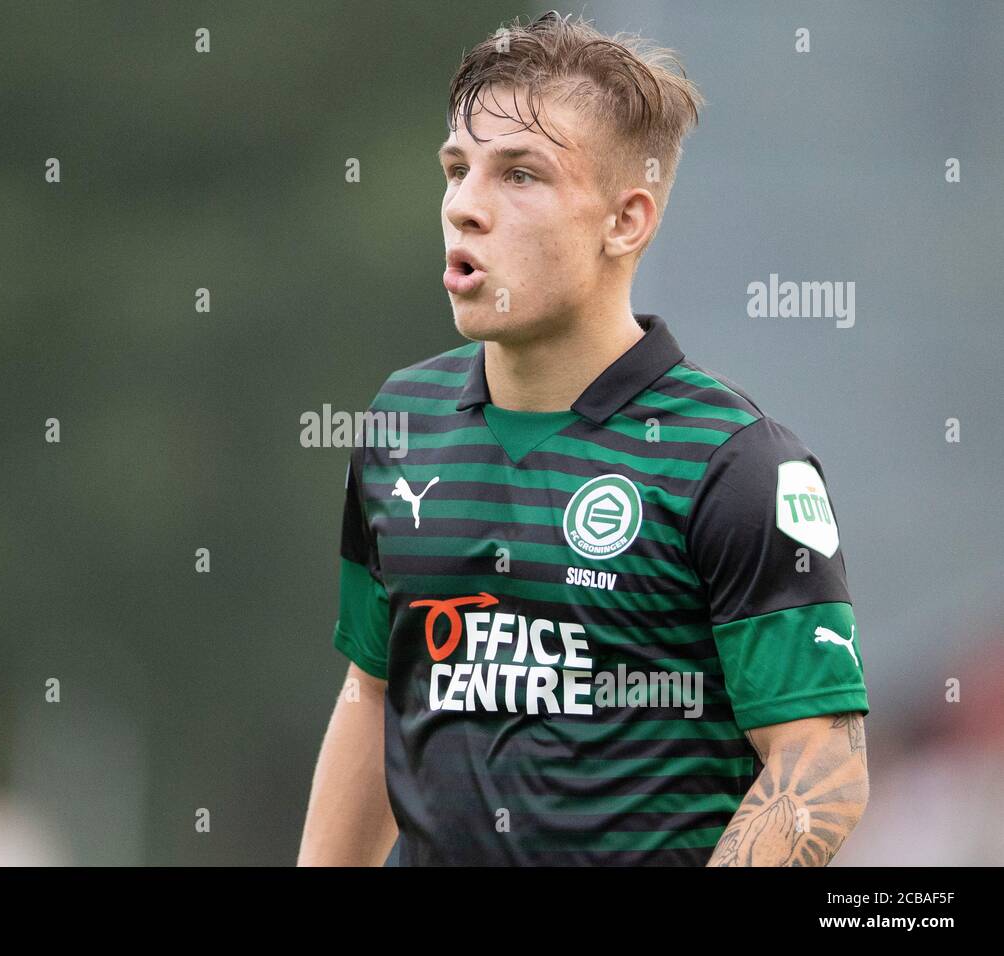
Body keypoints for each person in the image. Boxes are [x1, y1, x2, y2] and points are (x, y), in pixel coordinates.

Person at [299, 12, 869, 866]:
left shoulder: (737, 464)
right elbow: (372, 692)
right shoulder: (399, 422)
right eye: (458, 170)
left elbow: (820, 762)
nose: (464, 206)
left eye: (519, 175)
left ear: (625, 221)